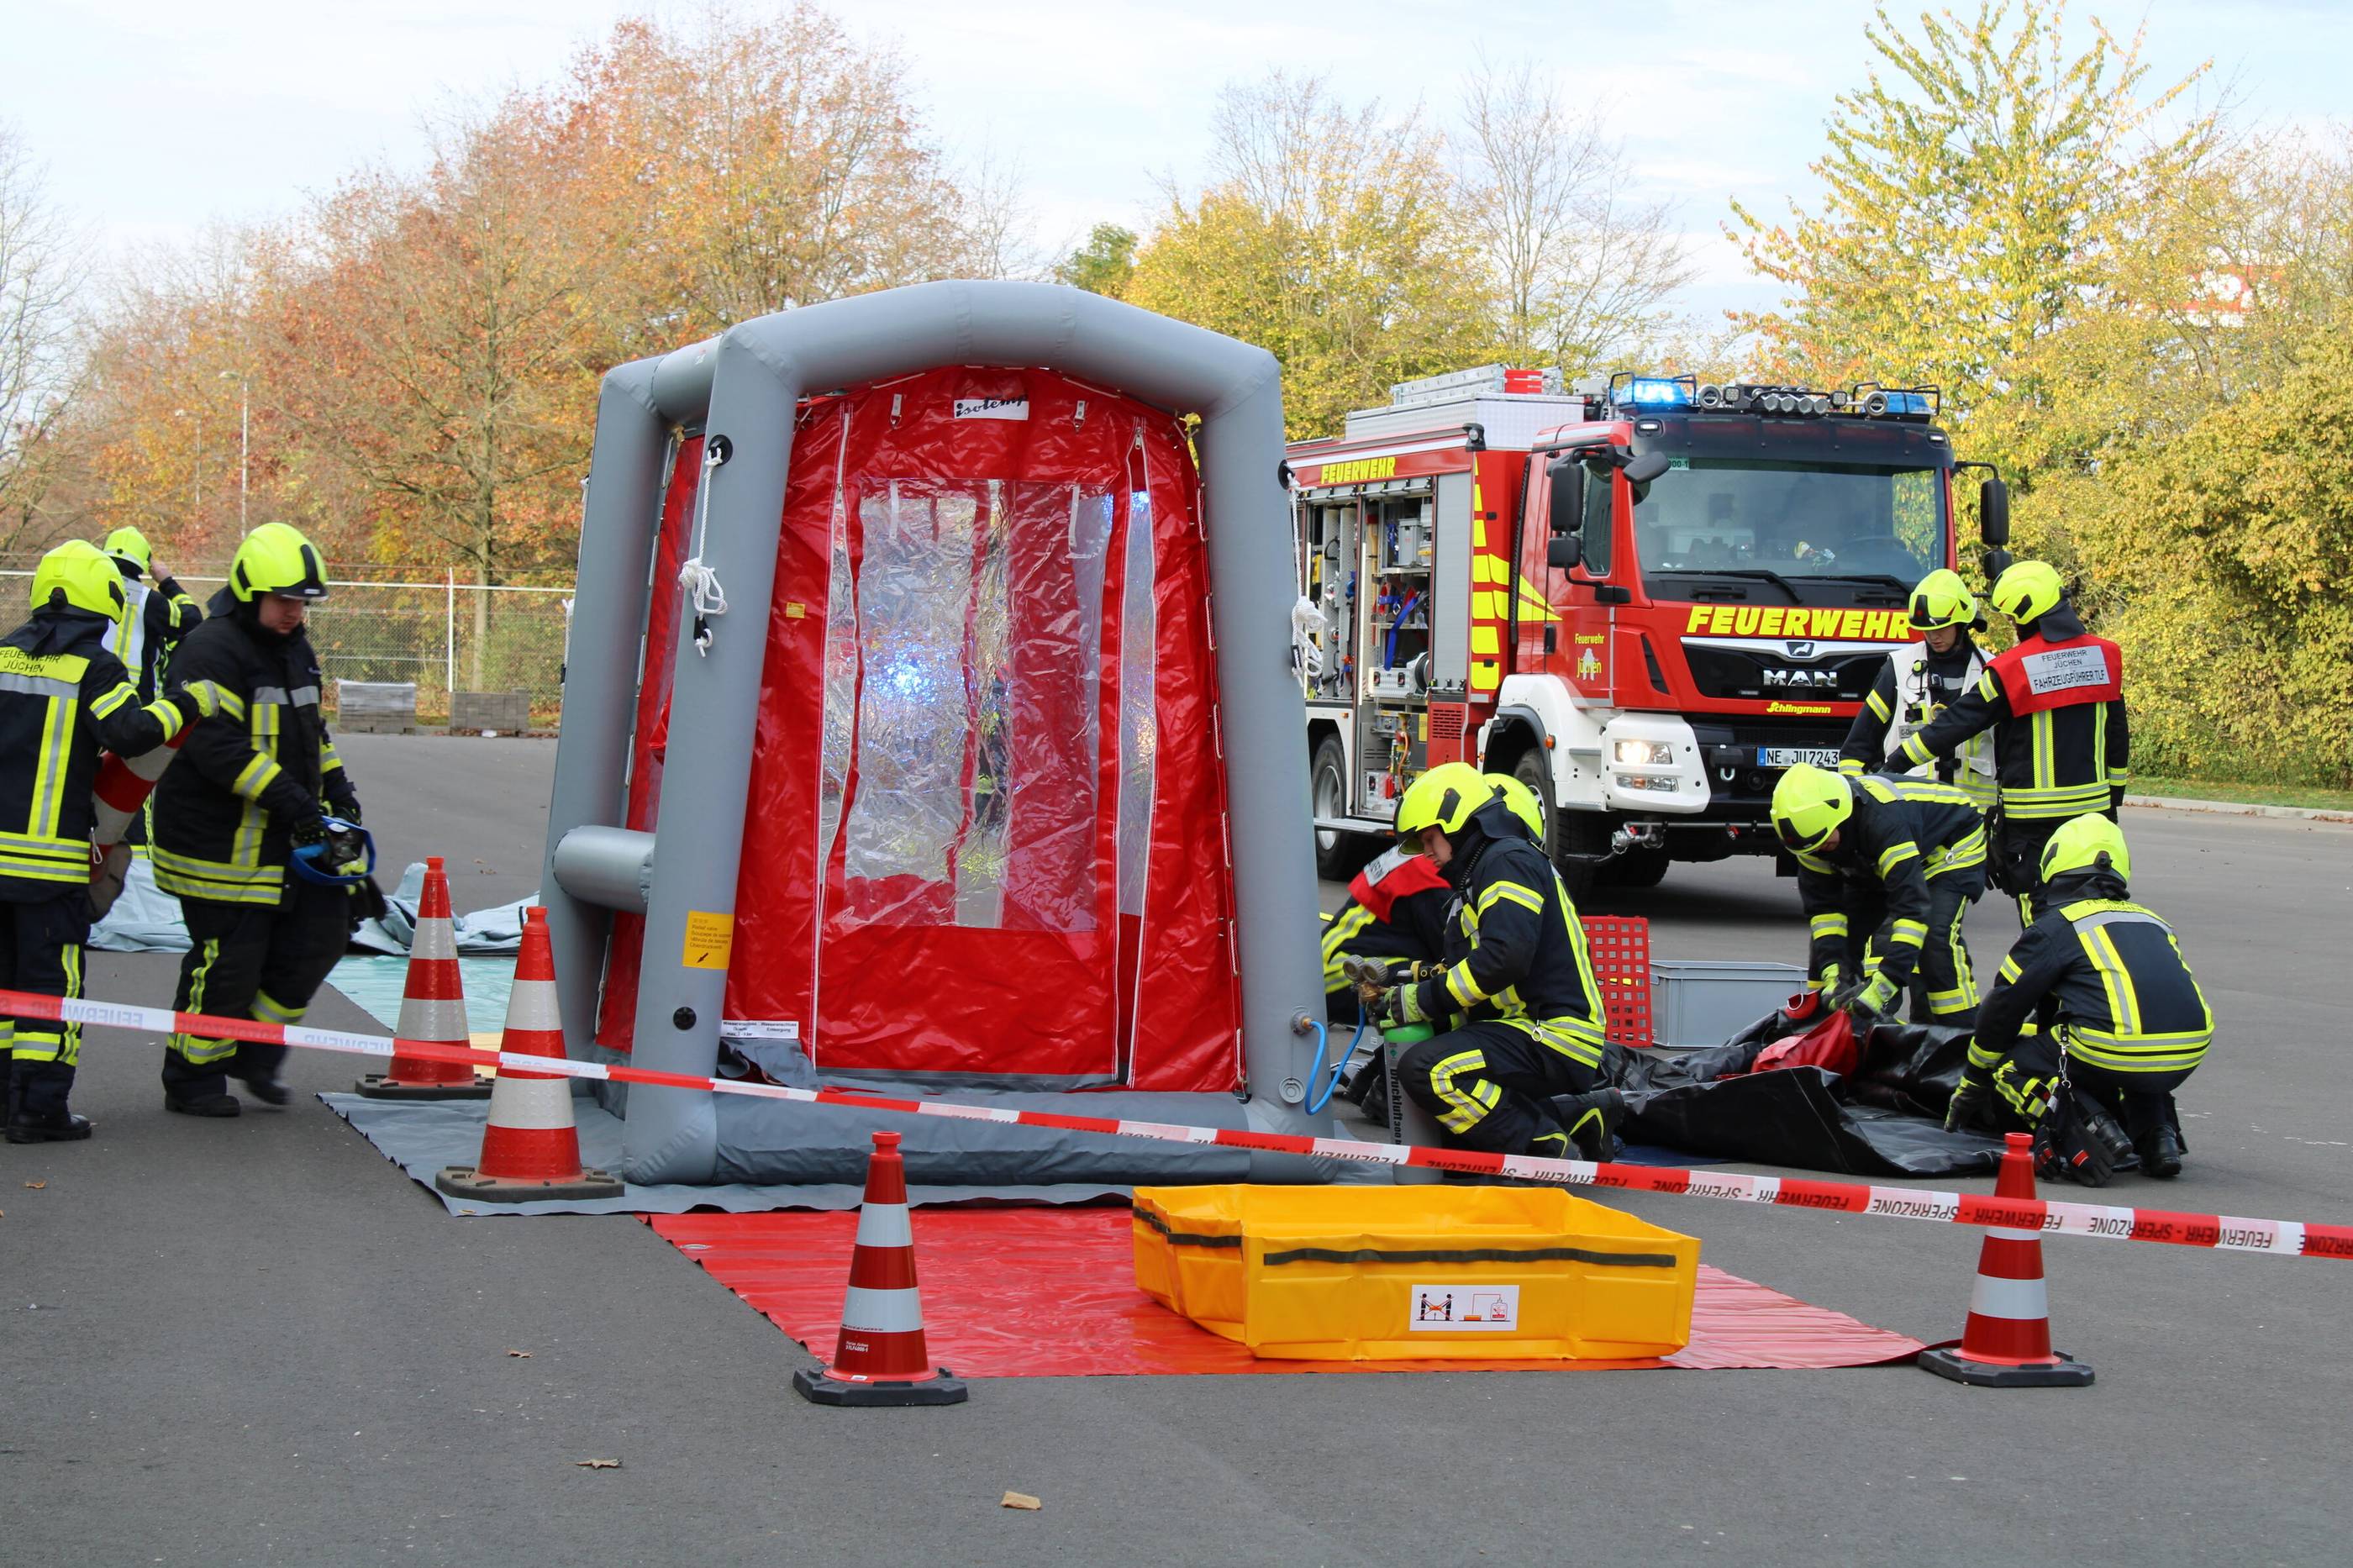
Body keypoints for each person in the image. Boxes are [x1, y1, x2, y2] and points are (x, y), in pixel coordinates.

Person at [2, 542, 221, 1142]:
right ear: (102, 604)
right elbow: (130, 733)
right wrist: (186, 703)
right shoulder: (93, 667)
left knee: (2, 987)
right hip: (48, 870)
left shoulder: (2, 657)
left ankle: (3, 1101)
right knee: (50, 990)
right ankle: (38, 1111)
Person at [150, 523, 361, 1116]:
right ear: (248, 592)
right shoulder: (208, 651)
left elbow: (309, 733)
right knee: (228, 961)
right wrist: (300, 805)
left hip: (279, 838)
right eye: (284, 601)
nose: (295, 612)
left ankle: (254, 1053)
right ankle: (192, 1077)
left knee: (321, 935)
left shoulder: (294, 648)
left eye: (302, 602)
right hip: (215, 846)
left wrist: (340, 793)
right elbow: (217, 750)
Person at [1371, 762, 1622, 1160]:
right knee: (1448, 1134)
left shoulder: (1507, 861)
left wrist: (1421, 1000)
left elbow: (1503, 959)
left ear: (1457, 821)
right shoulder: (1477, 877)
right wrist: (1406, 982)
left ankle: (1543, 1147)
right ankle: (1577, 1115)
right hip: (1524, 1030)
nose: (1427, 855)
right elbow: (1468, 968)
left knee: (1428, 1071)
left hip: (1554, 1033)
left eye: (1429, 839)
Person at [1947, 814, 2211, 1182]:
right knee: (2128, 1051)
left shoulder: (2057, 926)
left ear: (2058, 863)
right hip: (2188, 1051)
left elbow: (2003, 1007)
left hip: (2113, 1047)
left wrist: (1973, 1081)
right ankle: (2159, 1138)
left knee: (2009, 1066)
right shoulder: (2154, 921)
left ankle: (2091, 1124)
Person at [1892, 560, 2127, 923]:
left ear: (2025, 613)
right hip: (2094, 815)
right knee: (2093, 909)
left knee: (2040, 917)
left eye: (2012, 618)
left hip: (2032, 823)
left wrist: (1894, 764)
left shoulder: (2014, 668)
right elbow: (2117, 739)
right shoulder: (2104, 656)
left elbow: (1957, 722)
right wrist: (2114, 800)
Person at [1770, 763, 1989, 1029]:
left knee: (1934, 938)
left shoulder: (1882, 822)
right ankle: (1821, 1029)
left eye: (1827, 844)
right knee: (1828, 950)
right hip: (1874, 859)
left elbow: (1912, 912)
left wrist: (1882, 987)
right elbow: (1825, 913)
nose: (1823, 854)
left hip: (1949, 845)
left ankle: (1962, 1034)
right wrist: (1832, 975)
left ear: (1843, 818)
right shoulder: (1813, 843)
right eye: (1815, 850)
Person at [1840, 567, 1995, 808]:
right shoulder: (1899, 667)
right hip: (1909, 810)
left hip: (1973, 814)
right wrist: (1853, 798)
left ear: (1963, 624)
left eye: (1941, 628)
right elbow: (1859, 744)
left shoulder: (1991, 671)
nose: (1933, 636)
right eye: (1926, 629)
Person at [97, 526, 203, 705]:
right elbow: (192, 619)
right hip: (135, 698)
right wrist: (167, 582)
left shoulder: (88, 589)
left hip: (91, 689)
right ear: (144, 563)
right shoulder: (149, 601)